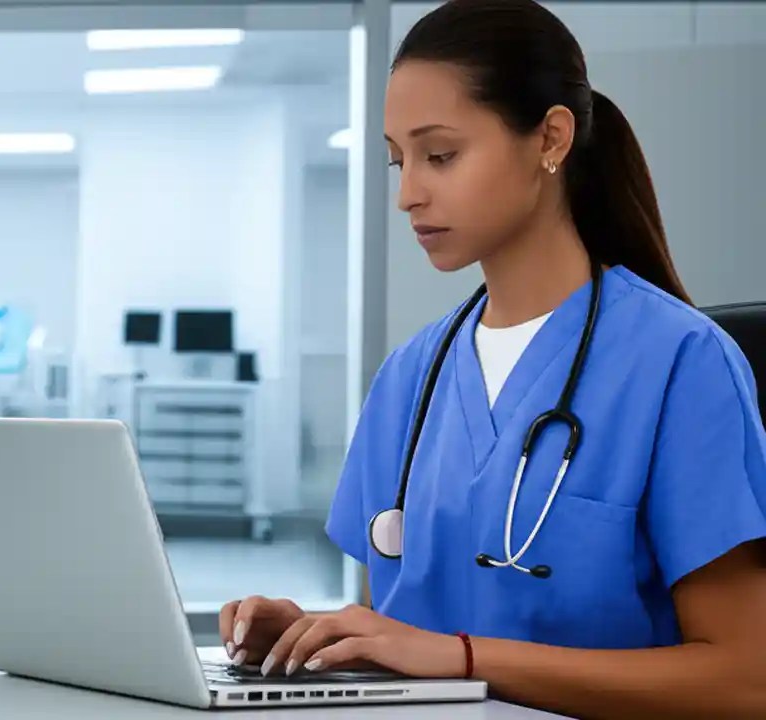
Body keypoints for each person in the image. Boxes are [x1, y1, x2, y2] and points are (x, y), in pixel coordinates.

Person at [219, 1, 766, 717]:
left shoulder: (682, 365)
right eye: (397, 160)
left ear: (551, 138)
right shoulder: (411, 376)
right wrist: (314, 639)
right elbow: (391, 625)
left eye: (440, 155)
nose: (409, 194)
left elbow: (745, 680)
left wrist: (464, 658)